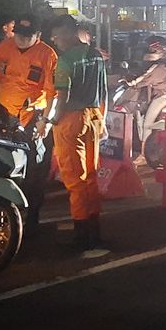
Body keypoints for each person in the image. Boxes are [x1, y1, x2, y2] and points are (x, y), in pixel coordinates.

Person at [50, 14, 109, 255]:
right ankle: (94, 227)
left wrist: (52, 119)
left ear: (66, 33)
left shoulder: (65, 61)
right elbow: (104, 90)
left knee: (74, 178)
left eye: (56, 36)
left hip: (71, 121)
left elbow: (61, 98)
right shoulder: (95, 55)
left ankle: (82, 232)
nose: (55, 41)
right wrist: (102, 121)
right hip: (94, 117)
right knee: (90, 175)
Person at [0, 17, 57, 128]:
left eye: (27, 36)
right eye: (18, 34)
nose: (21, 39)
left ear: (38, 35)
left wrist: (45, 121)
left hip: (30, 117)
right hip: (2, 114)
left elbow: (52, 93)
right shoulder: (5, 46)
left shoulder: (48, 55)